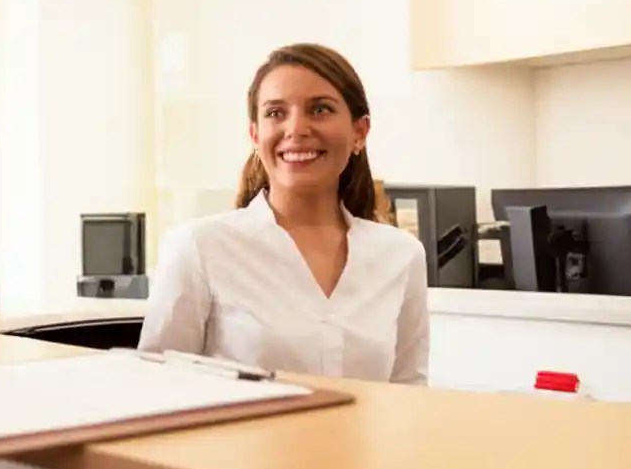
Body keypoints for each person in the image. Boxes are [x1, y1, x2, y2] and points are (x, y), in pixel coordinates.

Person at [138, 43, 429, 384]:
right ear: (255, 134)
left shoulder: (401, 255)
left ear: (359, 132)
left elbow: (410, 392)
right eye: (276, 113)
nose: (296, 129)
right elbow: (157, 391)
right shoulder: (199, 247)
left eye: (319, 109)